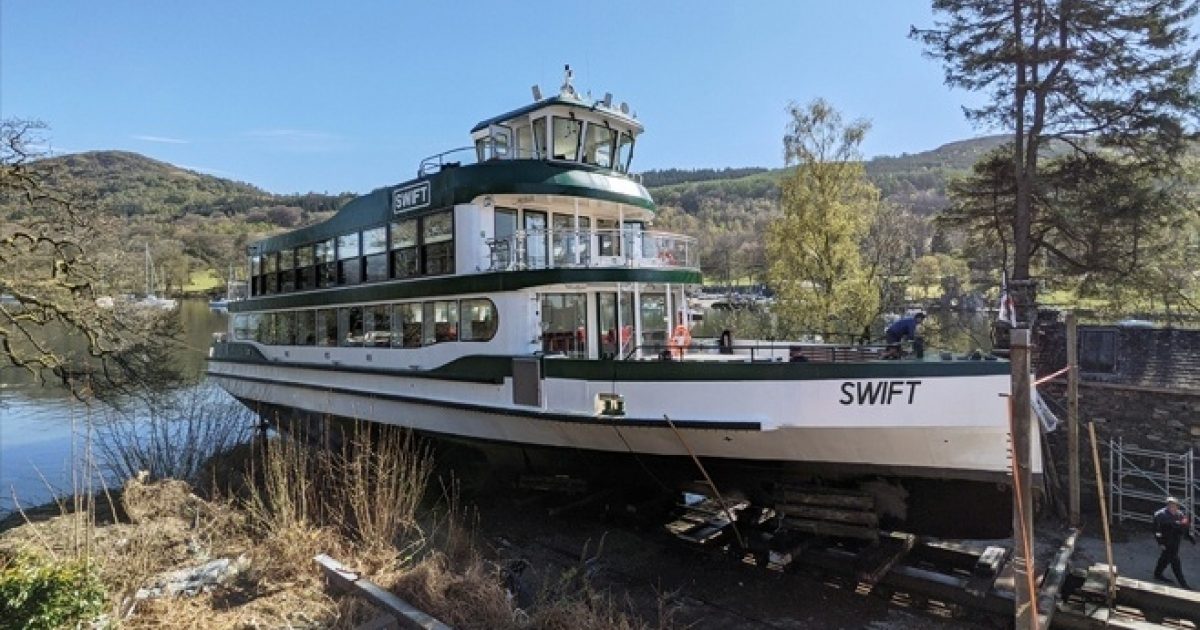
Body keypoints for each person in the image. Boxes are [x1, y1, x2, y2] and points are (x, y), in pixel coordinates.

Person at [1154, 496, 1196, 588]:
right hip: (1166, 541)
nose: (1173, 508)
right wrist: (1160, 543)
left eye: (1175, 506)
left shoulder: (1180, 514)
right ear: (1167, 505)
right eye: (1170, 505)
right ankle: (1183, 584)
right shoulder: (1160, 515)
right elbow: (1157, 531)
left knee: (1164, 559)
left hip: (1176, 541)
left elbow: (1185, 527)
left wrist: (1189, 536)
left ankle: (1157, 574)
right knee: (1175, 562)